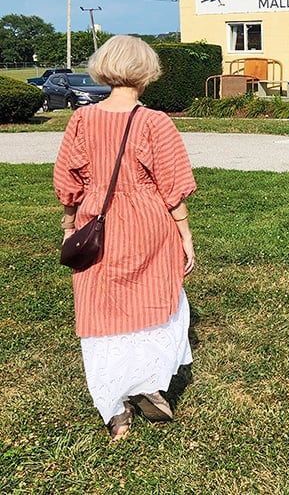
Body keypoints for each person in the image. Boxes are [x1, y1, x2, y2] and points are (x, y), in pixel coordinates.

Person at [54, 35, 196, 441]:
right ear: (147, 73)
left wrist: (69, 226)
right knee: (156, 299)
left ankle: (116, 410)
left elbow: (69, 181)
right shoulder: (155, 122)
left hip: (95, 220)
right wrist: (185, 233)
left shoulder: (81, 119)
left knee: (101, 311)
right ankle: (149, 383)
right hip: (147, 222)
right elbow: (172, 185)